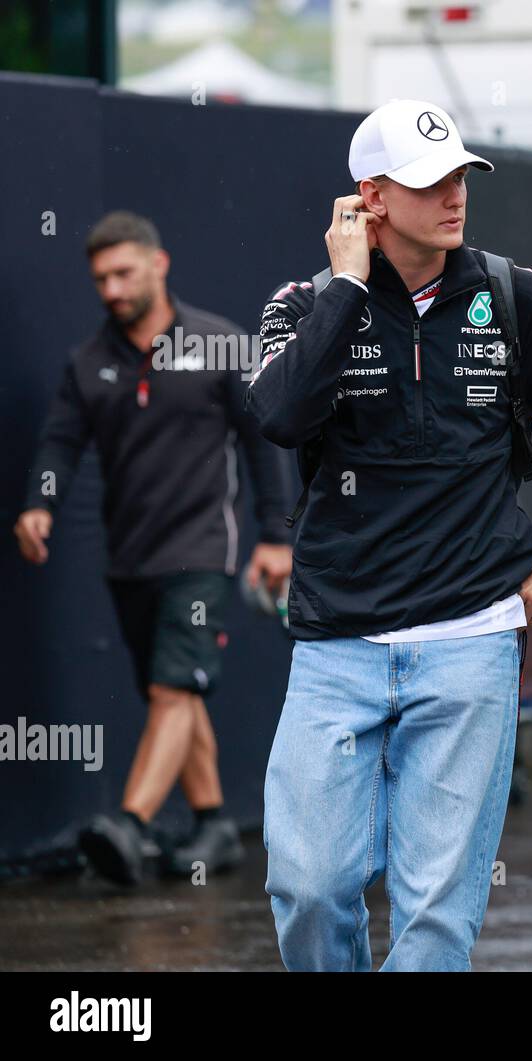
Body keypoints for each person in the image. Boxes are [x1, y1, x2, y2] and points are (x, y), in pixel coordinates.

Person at [247, 99, 532, 971]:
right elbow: (277, 413)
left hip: (471, 640)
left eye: (460, 173)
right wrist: (346, 290)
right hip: (337, 641)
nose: (454, 194)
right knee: (307, 883)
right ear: (370, 197)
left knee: (436, 914)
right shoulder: (305, 302)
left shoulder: (511, 293)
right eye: (428, 181)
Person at [14, 210, 294, 885]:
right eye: (100, 278)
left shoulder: (220, 343)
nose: (111, 288)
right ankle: (213, 824)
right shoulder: (87, 364)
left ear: (158, 264)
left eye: (123, 272)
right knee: (177, 692)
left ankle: (130, 823)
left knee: (173, 687)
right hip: (129, 555)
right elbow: (58, 443)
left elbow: (262, 442)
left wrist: (278, 537)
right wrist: (39, 502)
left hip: (203, 552)